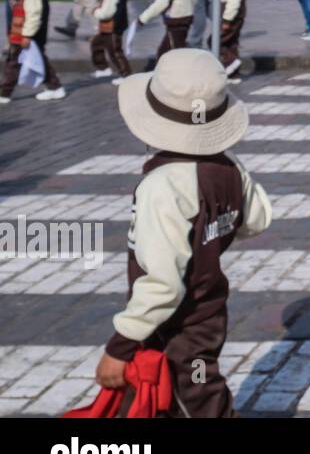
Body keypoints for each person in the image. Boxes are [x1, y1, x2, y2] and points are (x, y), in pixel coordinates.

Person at [93, 48, 272, 417]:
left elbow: (163, 284)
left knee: (199, 404)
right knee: (168, 400)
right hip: (208, 312)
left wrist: (120, 346)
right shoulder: (228, 169)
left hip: (173, 327)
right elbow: (257, 219)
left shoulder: (162, 187)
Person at [0, 0, 65, 103]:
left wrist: (26, 35)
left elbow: (33, 17)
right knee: (37, 60)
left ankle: (4, 93)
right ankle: (55, 87)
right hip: (22, 35)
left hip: (25, 36)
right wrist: (16, 6)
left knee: (14, 63)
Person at [90, 0, 132, 83]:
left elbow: (106, 13)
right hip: (107, 29)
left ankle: (126, 74)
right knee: (96, 44)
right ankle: (103, 67)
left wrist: (95, 11)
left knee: (115, 52)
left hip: (113, 29)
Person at [218, 0, 247, 83]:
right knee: (231, 44)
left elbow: (233, 3)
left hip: (232, 19)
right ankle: (234, 75)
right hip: (234, 18)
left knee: (215, 41)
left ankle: (231, 62)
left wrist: (227, 20)